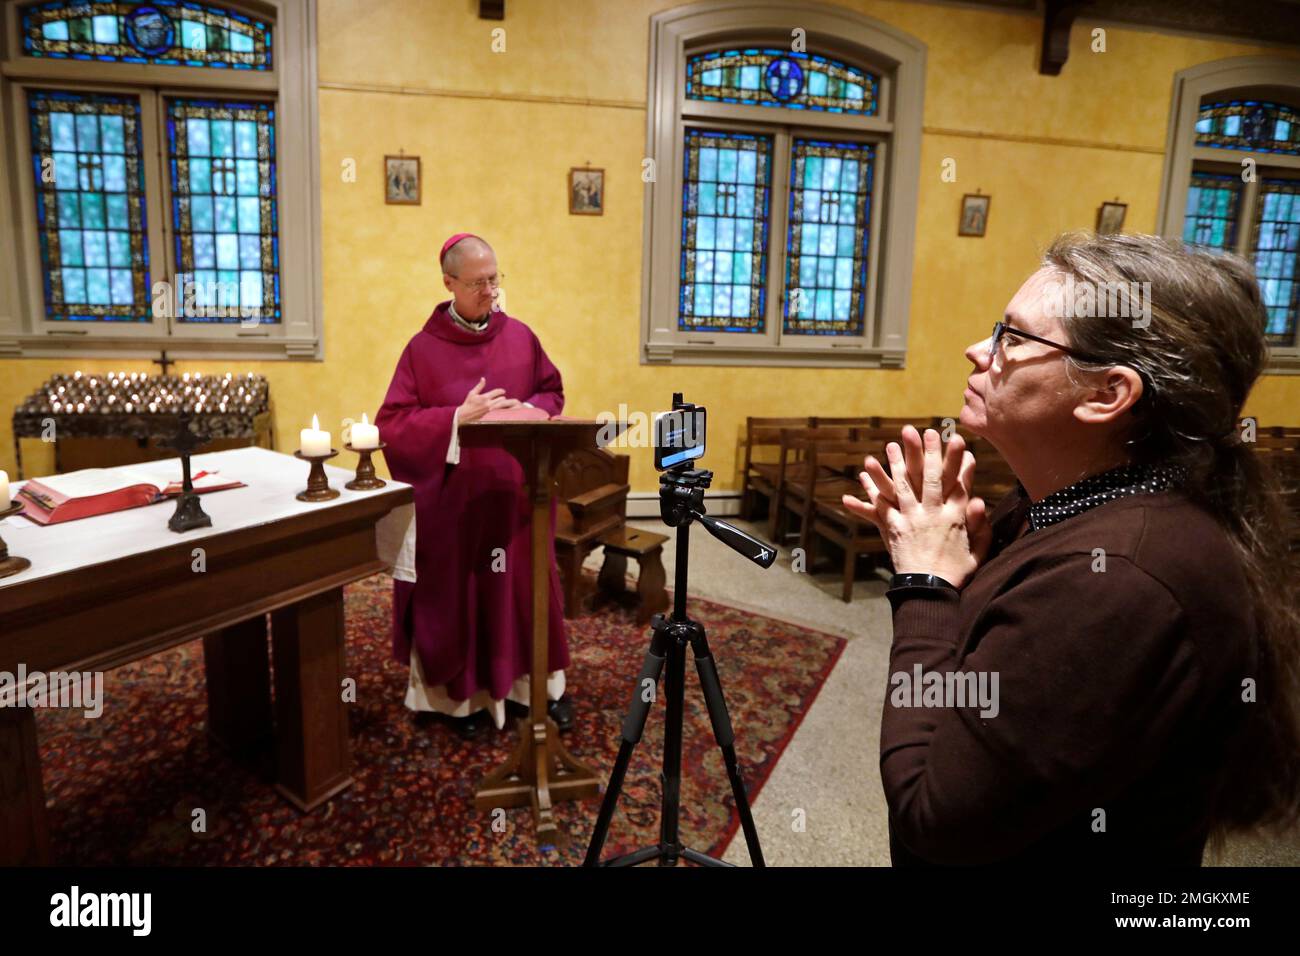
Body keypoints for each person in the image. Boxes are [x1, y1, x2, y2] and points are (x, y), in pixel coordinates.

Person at [843, 232, 1300, 865]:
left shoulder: (1119, 579)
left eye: (1015, 338)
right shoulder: (1062, 500)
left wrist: (925, 585)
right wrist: (976, 571)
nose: (977, 351)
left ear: (1108, 394)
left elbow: (933, 822)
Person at [375, 233, 575, 740]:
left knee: (527, 594)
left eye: (495, 279)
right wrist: (454, 418)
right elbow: (392, 423)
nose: (491, 291)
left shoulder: (521, 336)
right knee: (461, 597)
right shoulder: (422, 349)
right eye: (479, 283)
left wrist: (531, 409)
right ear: (449, 284)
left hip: (517, 501)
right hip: (455, 509)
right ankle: (460, 703)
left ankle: (537, 694)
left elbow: (552, 391)